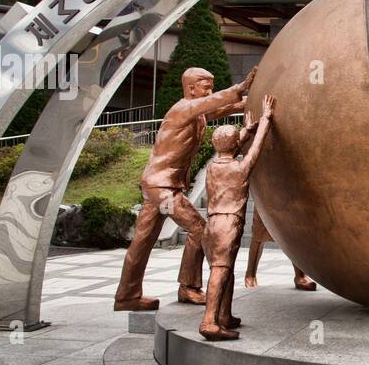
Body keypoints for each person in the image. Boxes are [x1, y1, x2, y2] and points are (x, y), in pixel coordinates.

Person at [114, 67, 255, 312]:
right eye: (205, 86)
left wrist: (249, 102)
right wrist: (240, 87)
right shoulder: (182, 109)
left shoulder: (196, 114)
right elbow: (214, 102)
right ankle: (188, 287)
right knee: (200, 229)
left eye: (211, 86)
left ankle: (127, 295)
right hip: (163, 187)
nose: (210, 91)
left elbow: (221, 108)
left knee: (142, 241)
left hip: (157, 184)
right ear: (190, 88)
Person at [199, 94, 277, 340]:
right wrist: (265, 119)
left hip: (211, 225)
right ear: (236, 146)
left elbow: (233, 146)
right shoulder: (239, 169)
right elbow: (255, 149)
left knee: (225, 270)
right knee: (221, 272)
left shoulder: (213, 167)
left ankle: (224, 315)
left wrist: (246, 129)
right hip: (227, 224)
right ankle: (209, 321)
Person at [244, 206, 316, 292]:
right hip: (265, 196)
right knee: (259, 231)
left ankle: (300, 276)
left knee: (293, 230)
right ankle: (250, 275)